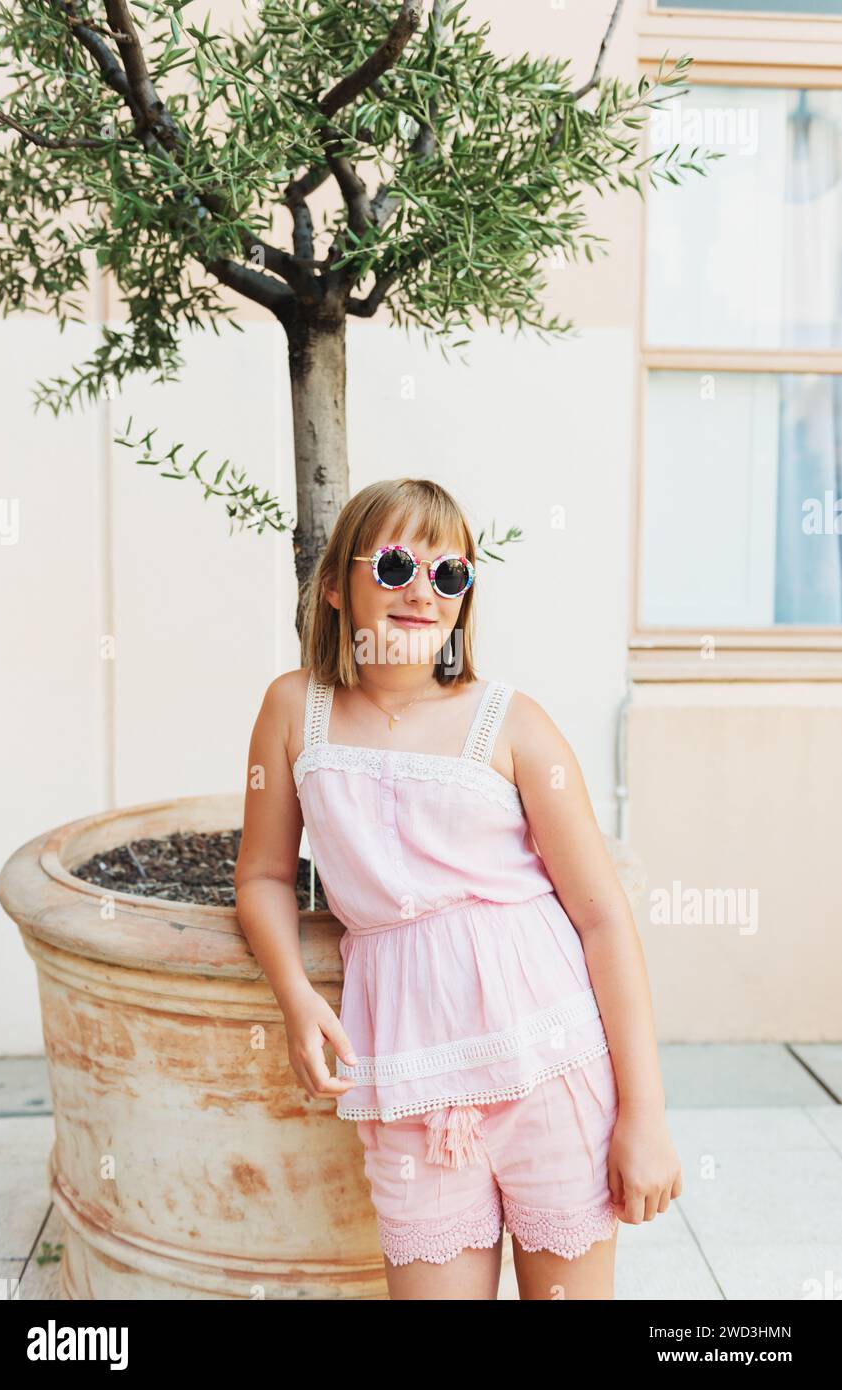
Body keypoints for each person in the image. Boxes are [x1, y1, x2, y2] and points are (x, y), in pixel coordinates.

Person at [234, 477, 682, 1301]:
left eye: (449, 575)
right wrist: (295, 996)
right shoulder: (297, 709)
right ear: (335, 584)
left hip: (550, 1061)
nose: (422, 593)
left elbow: (602, 919)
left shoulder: (511, 723)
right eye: (398, 564)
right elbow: (262, 874)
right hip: (407, 1069)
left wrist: (644, 1118)